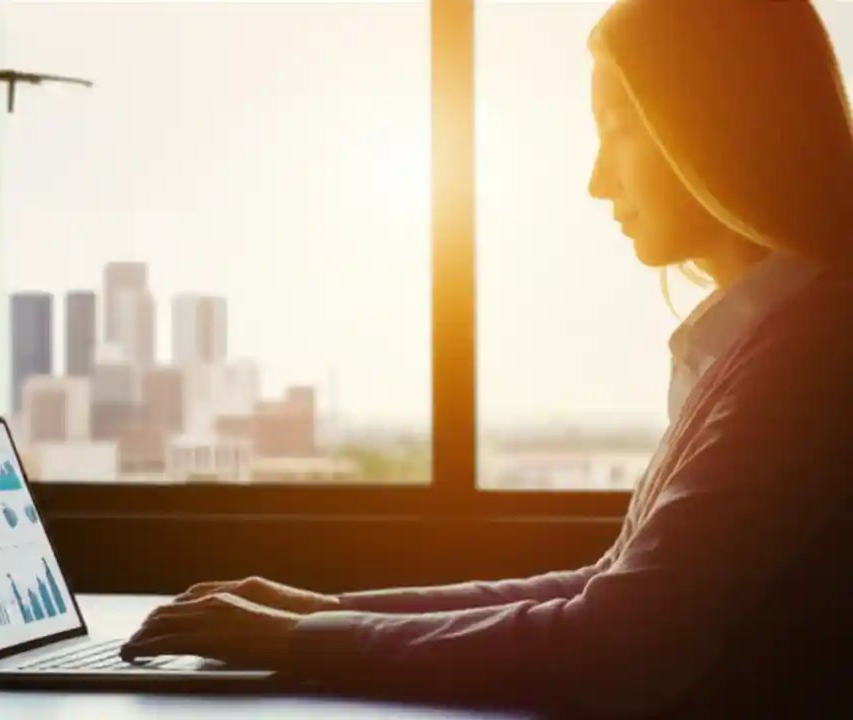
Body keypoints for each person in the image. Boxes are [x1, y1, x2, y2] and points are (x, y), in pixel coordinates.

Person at [121, 0, 853, 716]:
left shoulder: (806, 357)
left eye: (617, 128)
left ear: (711, 126)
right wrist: (327, 611)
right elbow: (611, 586)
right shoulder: (773, 337)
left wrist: (304, 638)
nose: (599, 181)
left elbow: (621, 634)